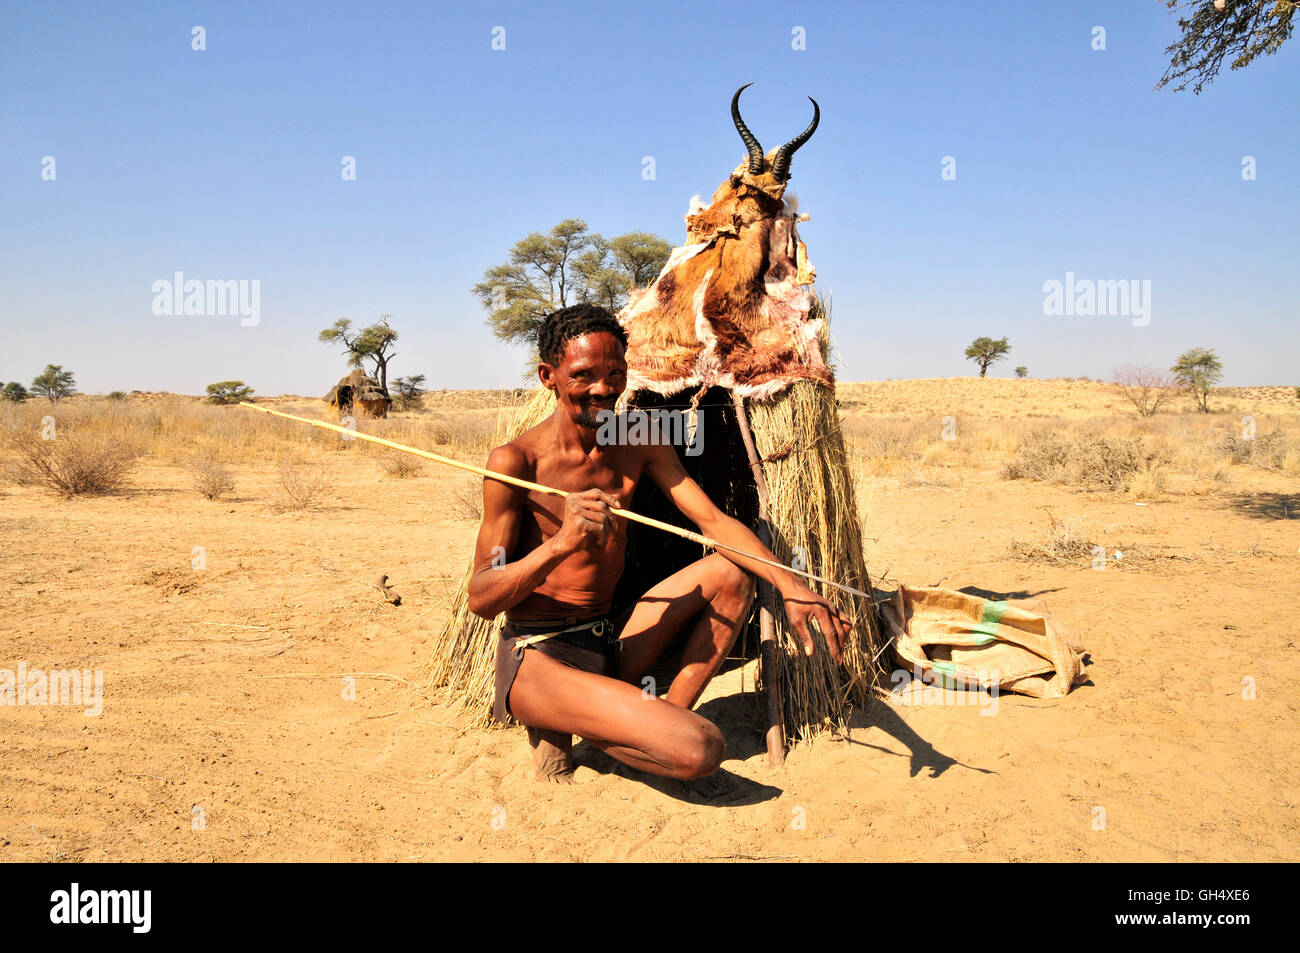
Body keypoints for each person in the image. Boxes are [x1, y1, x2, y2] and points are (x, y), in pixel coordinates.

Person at [467, 303, 850, 782]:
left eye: (615, 374)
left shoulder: (639, 438)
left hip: (610, 638)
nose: (603, 389)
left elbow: (713, 522)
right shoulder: (515, 462)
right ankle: (574, 716)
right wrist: (560, 544)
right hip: (541, 653)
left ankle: (659, 715)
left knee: (732, 571)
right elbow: (482, 597)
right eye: (583, 375)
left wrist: (790, 584)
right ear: (549, 376)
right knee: (701, 749)